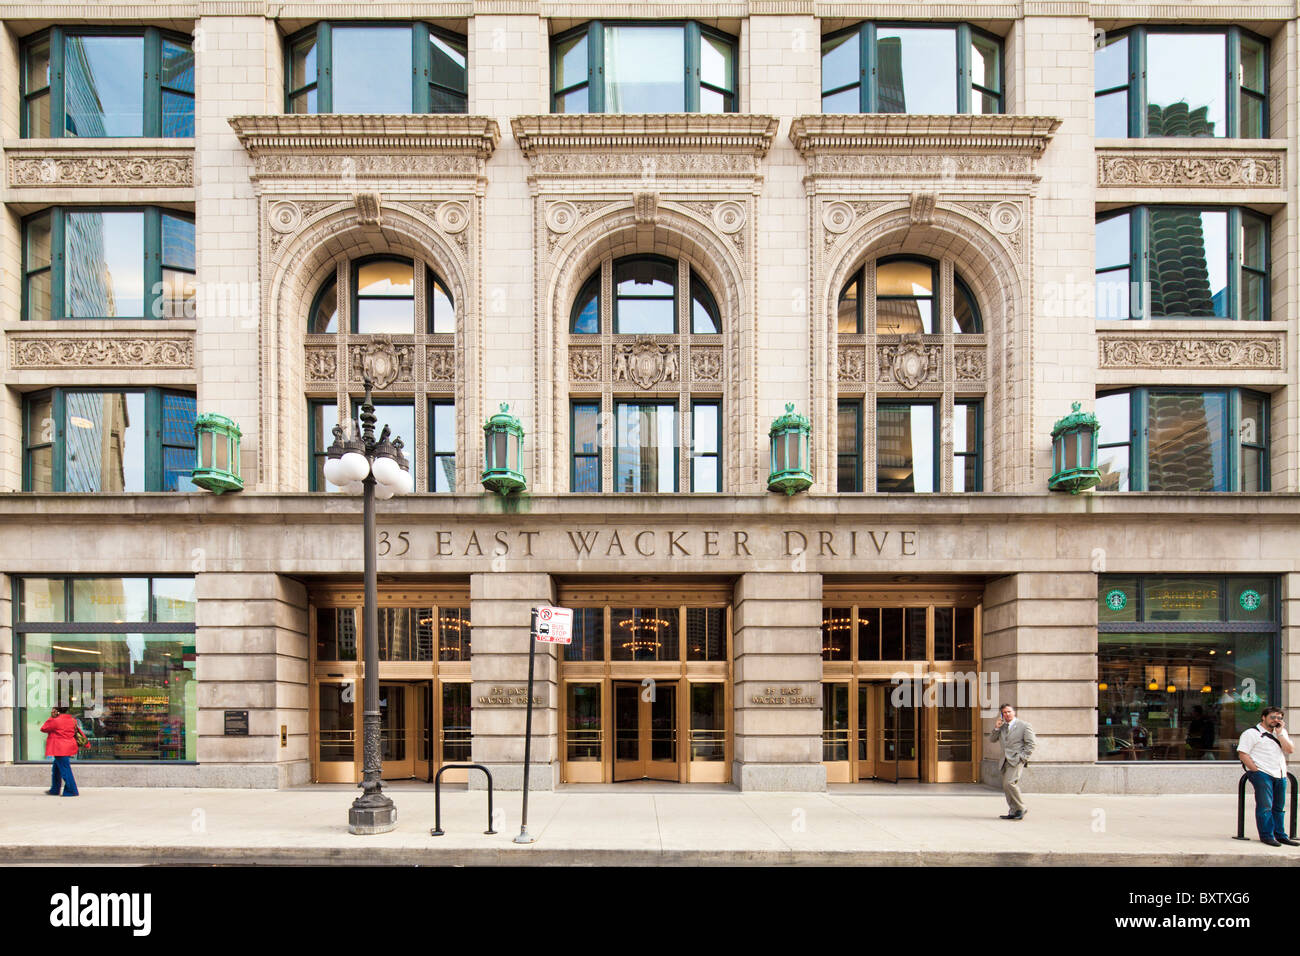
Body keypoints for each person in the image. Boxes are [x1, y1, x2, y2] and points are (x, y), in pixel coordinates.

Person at [1236, 706, 1297, 847]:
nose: (1276, 720)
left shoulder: (1281, 733)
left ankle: (1280, 835)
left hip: (1280, 774)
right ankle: (1267, 835)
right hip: (1262, 773)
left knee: (1279, 807)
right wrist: (1255, 770)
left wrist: (1280, 733)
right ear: (1264, 717)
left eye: (1279, 718)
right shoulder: (1251, 733)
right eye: (1273, 717)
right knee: (1265, 806)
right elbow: (1243, 753)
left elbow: (1290, 750)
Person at [989, 704, 1035, 820]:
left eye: (1009, 711)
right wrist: (997, 728)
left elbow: (1031, 744)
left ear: (1014, 712)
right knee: (1006, 786)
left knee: (1010, 783)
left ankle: (1021, 807)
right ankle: (1014, 811)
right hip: (1004, 760)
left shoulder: (1024, 726)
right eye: (1004, 712)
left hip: (1016, 759)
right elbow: (992, 739)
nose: (1007, 714)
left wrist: (1023, 757)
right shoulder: (1002, 727)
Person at [40, 706, 82, 797]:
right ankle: (54, 789)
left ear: (57, 710)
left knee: (65, 770)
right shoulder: (72, 720)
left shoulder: (55, 720)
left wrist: (52, 717)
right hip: (69, 746)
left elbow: (43, 728)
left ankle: (71, 791)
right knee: (56, 769)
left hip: (59, 748)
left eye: (53, 709)